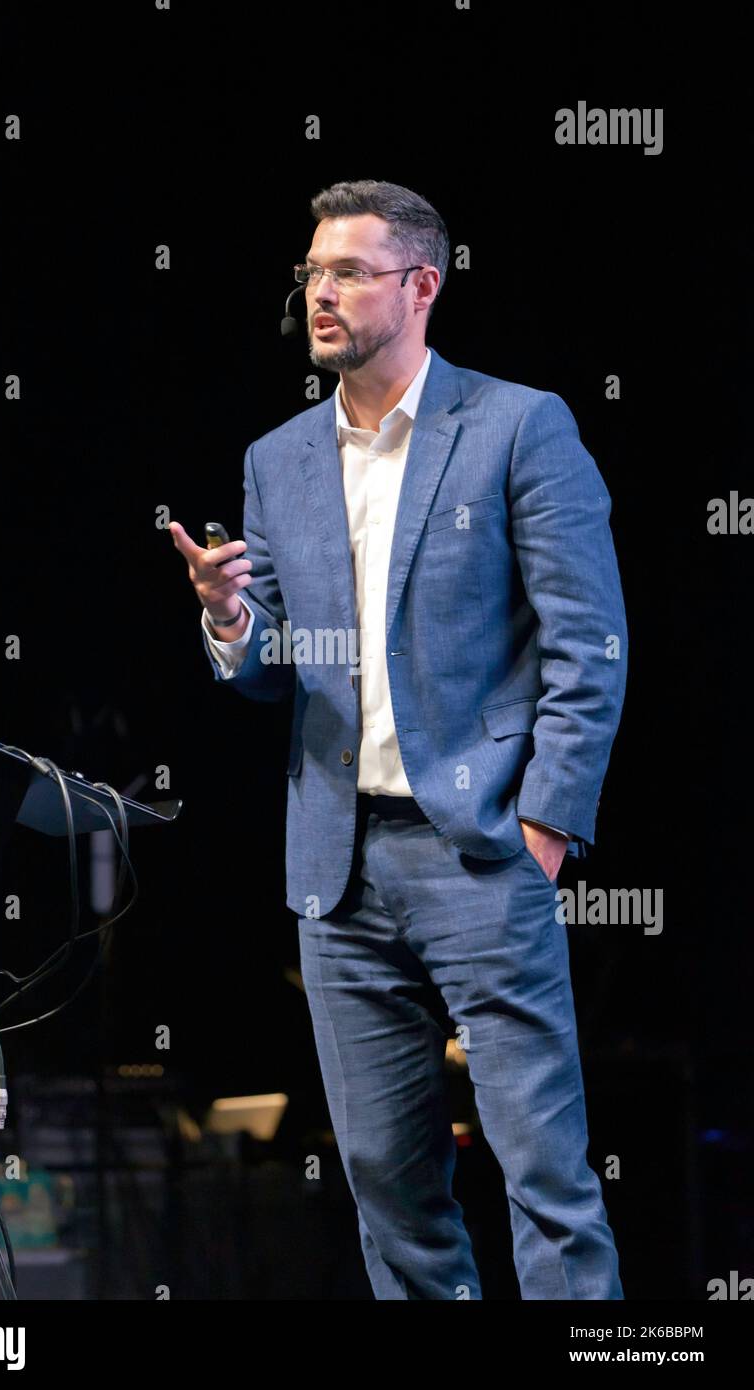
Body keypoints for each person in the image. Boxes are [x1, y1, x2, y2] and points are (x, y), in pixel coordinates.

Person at [169, 179, 627, 1300]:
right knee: (385, 1176)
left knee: (544, 1175)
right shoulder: (278, 459)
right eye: (311, 273)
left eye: (349, 272)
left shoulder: (518, 425)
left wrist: (546, 823)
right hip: (338, 868)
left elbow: (589, 642)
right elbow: (274, 673)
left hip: (481, 851)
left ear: (422, 285)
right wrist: (229, 617)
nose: (320, 293)